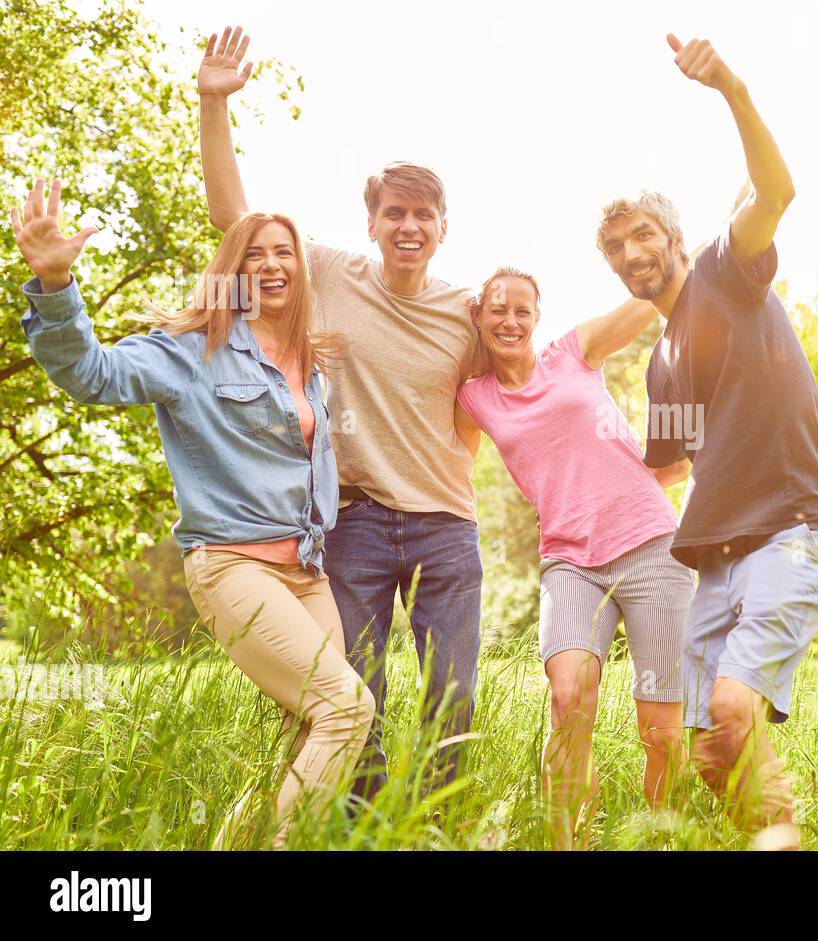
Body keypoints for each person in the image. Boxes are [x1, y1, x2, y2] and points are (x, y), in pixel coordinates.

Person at [11, 177, 373, 849]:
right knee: (348, 709)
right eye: (254, 254)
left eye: (284, 252)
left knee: (307, 732)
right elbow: (91, 374)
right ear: (232, 272)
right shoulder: (191, 350)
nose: (271, 264)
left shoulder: (308, 363)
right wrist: (57, 285)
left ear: (301, 268)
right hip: (235, 567)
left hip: (307, 572)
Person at [196, 26, 483, 796]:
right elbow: (237, 222)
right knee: (358, 699)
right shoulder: (328, 270)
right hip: (351, 521)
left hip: (445, 527)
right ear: (373, 223)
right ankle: (359, 827)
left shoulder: (470, 309)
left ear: (443, 226)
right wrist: (213, 104)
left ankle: (432, 827)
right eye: (395, 213)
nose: (409, 227)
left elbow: (516, 389)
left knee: (453, 698)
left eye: (424, 215)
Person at [595, 35, 818, 849]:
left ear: (672, 236)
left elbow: (776, 189)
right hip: (715, 561)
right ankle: (769, 836)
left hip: (792, 533)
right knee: (711, 749)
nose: (633, 254)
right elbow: (665, 467)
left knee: (736, 709)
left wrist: (731, 88)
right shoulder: (661, 366)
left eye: (642, 236)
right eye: (616, 249)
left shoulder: (724, 270)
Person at [454, 268, 694, 849]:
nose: (510, 321)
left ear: (537, 317)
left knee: (659, 727)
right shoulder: (473, 396)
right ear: (479, 319)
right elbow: (449, 462)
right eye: (498, 310)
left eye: (523, 310)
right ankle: (570, 842)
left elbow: (651, 297)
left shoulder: (574, 353)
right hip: (569, 561)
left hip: (652, 547)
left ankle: (664, 837)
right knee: (567, 699)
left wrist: (704, 243)